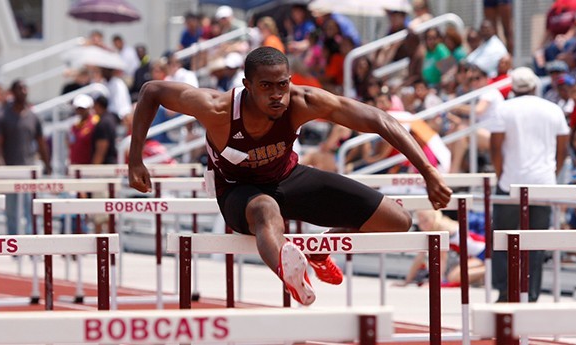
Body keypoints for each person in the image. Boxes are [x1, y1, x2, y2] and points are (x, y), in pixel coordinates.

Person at [127, 47, 452, 306]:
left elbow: (379, 119)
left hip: (288, 177)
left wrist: (428, 171)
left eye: (282, 85)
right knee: (267, 210)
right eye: (266, 87)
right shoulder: (217, 109)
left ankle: (319, 249)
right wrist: (135, 160)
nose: (276, 95)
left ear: (290, 81)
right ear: (247, 86)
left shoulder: (302, 101)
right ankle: (290, 274)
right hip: (239, 191)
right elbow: (151, 90)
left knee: (396, 219)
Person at [487, 67, 570, 302]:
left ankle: (505, 291)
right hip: (543, 183)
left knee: (503, 238)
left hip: (511, 182)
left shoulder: (504, 109)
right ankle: (531, 293)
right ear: (535, 86)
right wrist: (551, 172)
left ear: (513, 88)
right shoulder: (553, 109)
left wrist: (502, 172)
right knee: (536, 241)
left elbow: (495, 146)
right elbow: (563, 147)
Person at [0, 80, 52, 236]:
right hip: (11, 170)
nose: (23, 91)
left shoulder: (33, 116)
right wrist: (2, 169)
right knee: (11, 210)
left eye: (25, 88)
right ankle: (13, 244)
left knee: (31, 208)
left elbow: (41, 142)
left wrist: (48, 164)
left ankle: (33, 244)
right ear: (13, 92)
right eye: (20, 88)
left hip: (29, 169)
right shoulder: (3, 116)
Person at [396, 210, 486, 287]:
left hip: (483, 251)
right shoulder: (432, 229)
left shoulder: (442, 227)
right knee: (454, 276)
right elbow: (420, 256)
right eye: (420, 222)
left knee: (454, 277)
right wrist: (407, 281)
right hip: (474, 255)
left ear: (433, 217)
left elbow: (442, 258)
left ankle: (491, 269)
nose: (423, 225)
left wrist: (435, 284)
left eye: (426, 221)